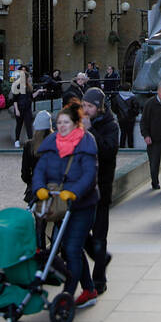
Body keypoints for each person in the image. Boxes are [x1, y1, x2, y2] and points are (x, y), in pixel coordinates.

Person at [31, 102, 100, 309]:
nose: (61, 126)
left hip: (82, 205)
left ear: (75, 123)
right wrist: (39, 188)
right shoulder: (52, 143)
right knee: (75, 248)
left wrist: (74, 192)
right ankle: (89, 289)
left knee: (71, 248)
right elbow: (40, 169)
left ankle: (67, 294)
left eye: (66, 122)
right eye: (58, 122)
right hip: (60, 203)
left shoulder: (86, 143)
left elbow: (89, 175)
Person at [80, 86, 120, 294]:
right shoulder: (80, 122)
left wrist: (91, 131)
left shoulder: (110, 125)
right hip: (83, 189)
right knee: (80, 233)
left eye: (89, 106)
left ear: (99, 107)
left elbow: (108, 151)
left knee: (99, 235)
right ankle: (101, 259)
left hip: (101, 188)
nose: (85, 110)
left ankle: (99, 279)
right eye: (83, 105)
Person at [10, 65, 33, 148]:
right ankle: (17, 140)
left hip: (27, 108)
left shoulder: (28, 87)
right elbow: (14, 99)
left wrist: (38, 92)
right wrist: (16, 110)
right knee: (19, 125)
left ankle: (31, 141)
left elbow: (31, 97)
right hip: (20, 107)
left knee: (28, 125)